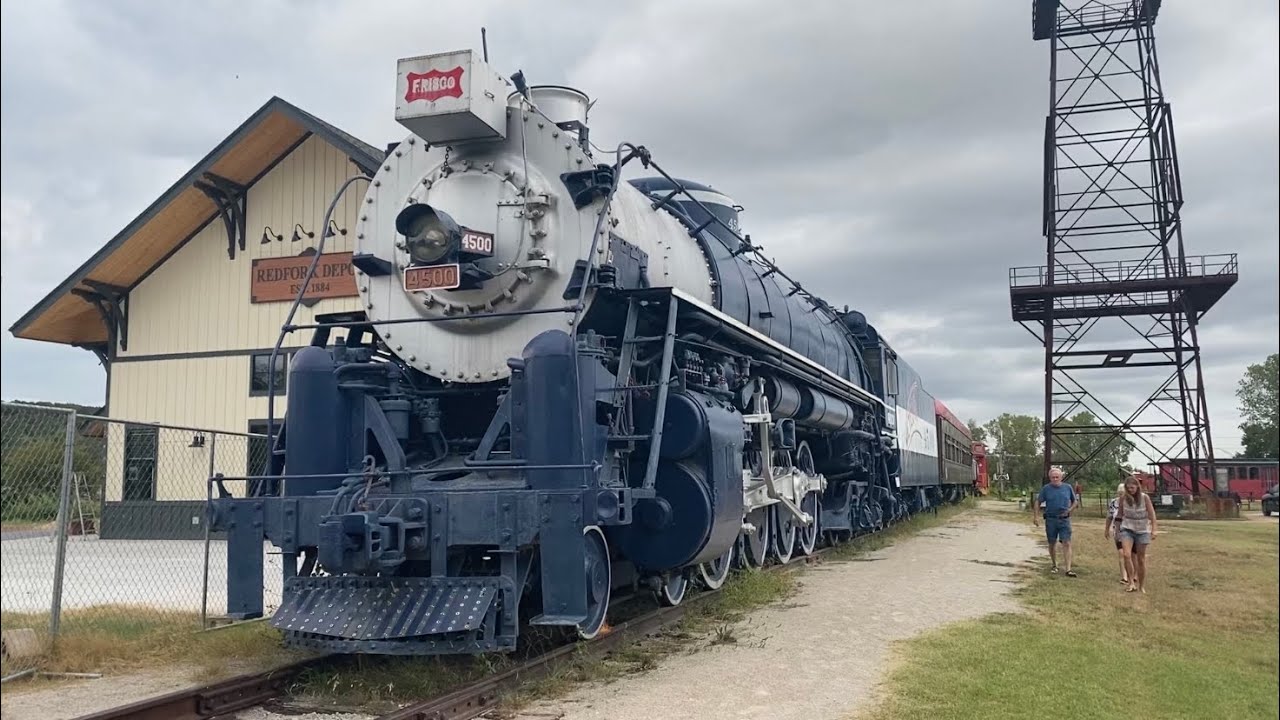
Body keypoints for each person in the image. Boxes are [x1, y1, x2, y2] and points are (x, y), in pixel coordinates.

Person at [1032, 466, 1079, 577]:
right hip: (1051, 519)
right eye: (1053, 477)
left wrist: (1070, 510)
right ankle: (1054, 564)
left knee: (1066, 542)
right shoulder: (1046, 489)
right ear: (1050, 478)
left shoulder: (1067, 488)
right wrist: (1036, 516)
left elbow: (1075, 501)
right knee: (1052, 543)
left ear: (1061, 477)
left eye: (1057, 477)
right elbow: (1038, 502)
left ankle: (1068, 569)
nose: (1055, 479)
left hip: (1064, 519)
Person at [1116, 477, 1158, 593]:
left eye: (1132, 488)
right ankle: (1130, 582)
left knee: (1141, 559)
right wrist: (1117, 530)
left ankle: (1141, 585)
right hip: (1127, 528)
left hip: (1142, 530)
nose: (1130, 490)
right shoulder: (1123, 498)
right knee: (1126, 555)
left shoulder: (1145, 498)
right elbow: (1119, 515)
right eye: (1128, 488)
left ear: (1137, 487)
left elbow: (1152, 514)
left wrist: (1154, 529)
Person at [1104, 482, 1128, 584]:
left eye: (1124, 493)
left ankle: (1134, 574)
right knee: (1121, 553)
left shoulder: (1132, 503)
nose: (1122, 495)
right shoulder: (1113, 503)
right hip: (1118, 531)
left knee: (1130, 554)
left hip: (1130, 531)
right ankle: (1124, 577)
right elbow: (1109, 516)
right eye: (1120, 493)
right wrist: (1106, 529)